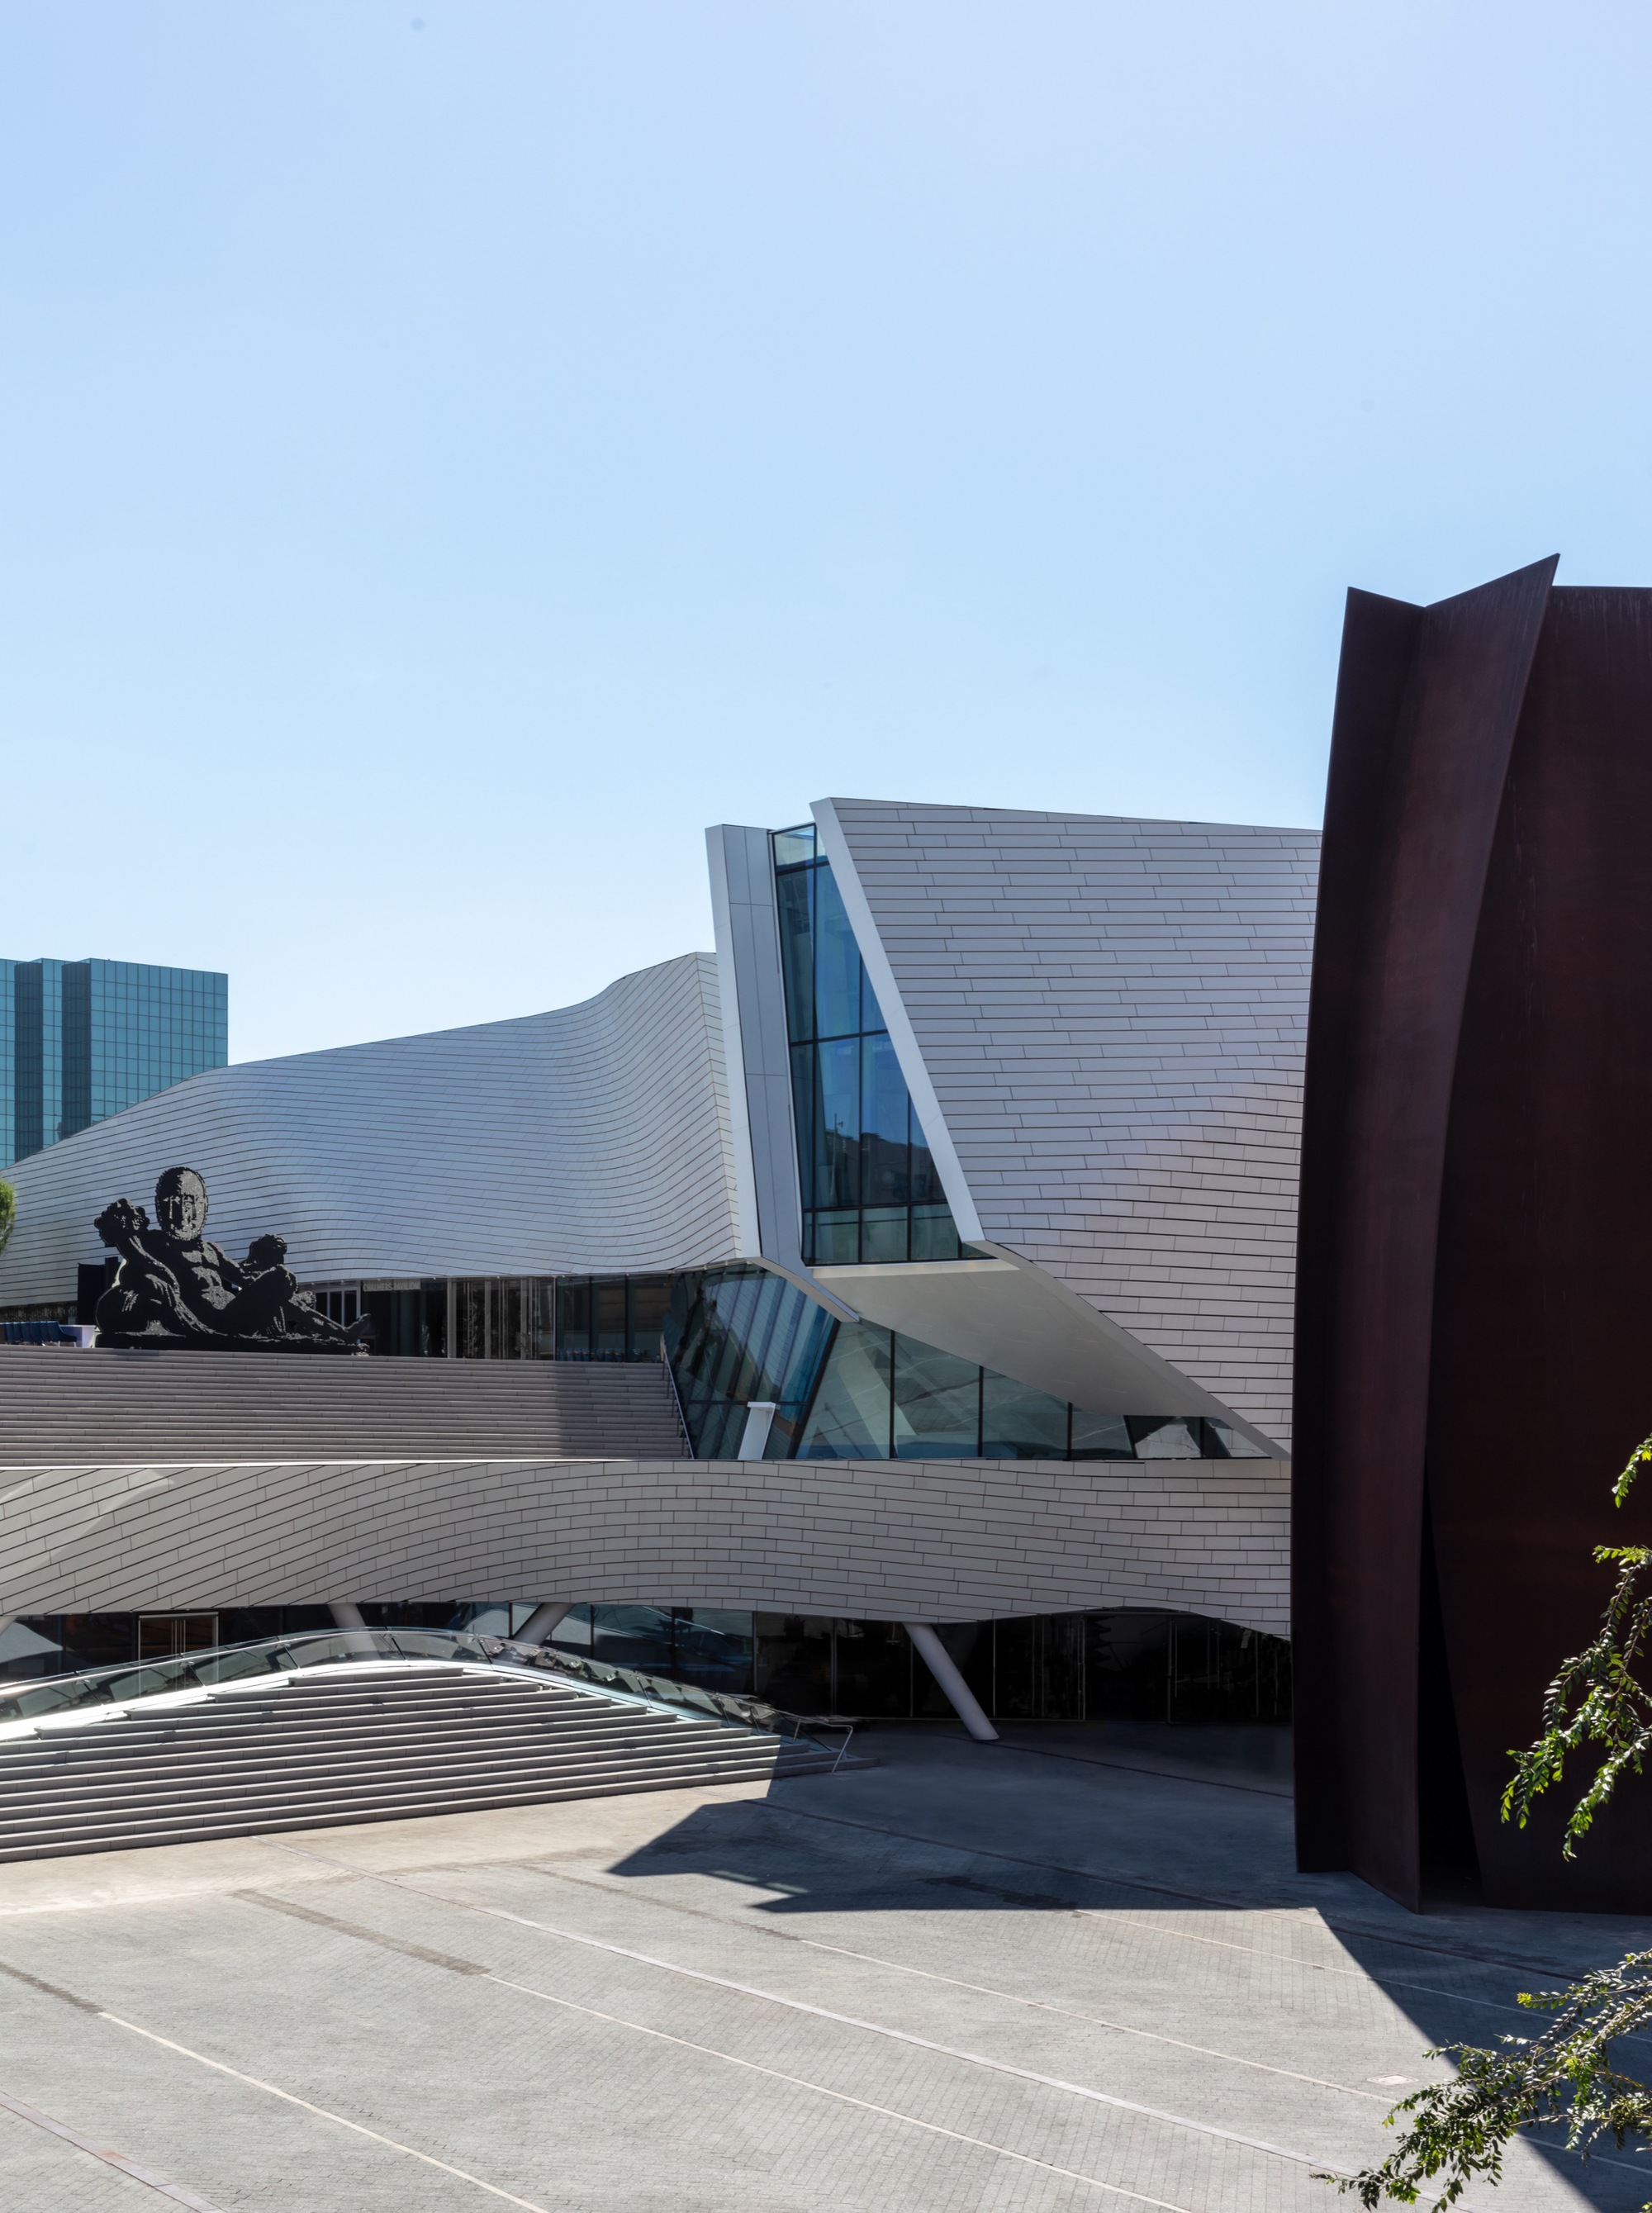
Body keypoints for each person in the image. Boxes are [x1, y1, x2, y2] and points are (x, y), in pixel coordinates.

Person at [93, 1168, 371, 1350]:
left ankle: (341, 1333)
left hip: (237, 1315)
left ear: (203, 1208)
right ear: (161, 1208)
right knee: (281, 1280)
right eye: (174, 1204)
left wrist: (262, 1259)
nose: (183, 1213)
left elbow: (244, 1276)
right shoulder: (155, 1243)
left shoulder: (212, 1250)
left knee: (281, 1279)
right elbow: (133, 1265)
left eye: (191, 1203)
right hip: (209, 1322)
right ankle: (341, 1333)